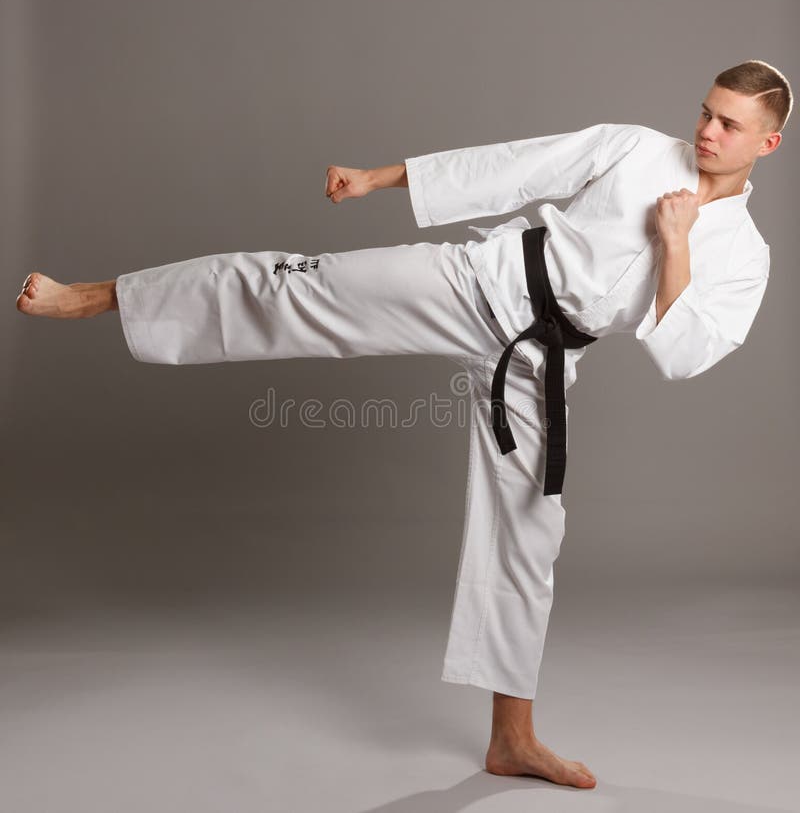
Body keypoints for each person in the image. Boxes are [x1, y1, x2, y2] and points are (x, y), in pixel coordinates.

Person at [14, 59, 791, 790]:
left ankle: (511, 737)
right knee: (296, 284)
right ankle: (103, 294)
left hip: (540, 360)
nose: (707, 131)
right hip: (475, 283)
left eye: (728, 125)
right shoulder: (634, 149)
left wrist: (677, 242)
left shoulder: (744, 254)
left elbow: (685, 353)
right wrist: (380, 177)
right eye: (705, 112)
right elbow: (514, 165)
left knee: (530, 532)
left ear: (769, 141)